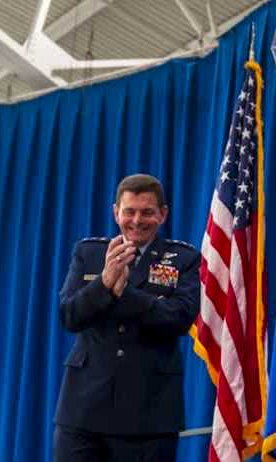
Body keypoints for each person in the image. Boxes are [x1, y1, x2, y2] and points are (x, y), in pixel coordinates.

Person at [53, 174, 200, 462]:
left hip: (149, 411)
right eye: (129, 211)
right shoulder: (89, 252)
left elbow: (180, 318)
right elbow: (69, 316)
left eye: (147, 212)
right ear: (115, 212)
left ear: (162, 214)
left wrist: (124, 294)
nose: (136, 221)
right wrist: (103, 283)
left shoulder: (183, 258)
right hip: (83, 409)